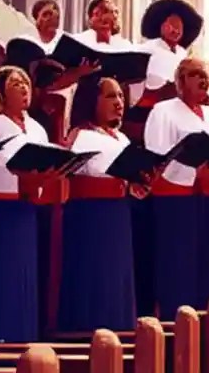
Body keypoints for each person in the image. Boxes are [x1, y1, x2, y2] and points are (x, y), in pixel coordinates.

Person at [0, 65, 65, 342]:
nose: (24, 87)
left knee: (24, 279)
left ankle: (24, 339)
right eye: (16, 83)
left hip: (26, 210)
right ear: (0, 91)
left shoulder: (37, 128)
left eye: (27, 83)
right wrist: (18, 174)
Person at [142, 58, 209, 314]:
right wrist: (194, 174)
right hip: (175, 200)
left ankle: (205, 324)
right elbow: (158, 157)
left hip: (208, 197)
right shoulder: (163, 111)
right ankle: (174, 322)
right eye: (194, 74)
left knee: (206, 263)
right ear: (179, 82)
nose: (203, 79)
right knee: (178, 263)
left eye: (205, 75)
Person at [58, 76, 137, 331]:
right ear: (92, 100)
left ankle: (119, 331)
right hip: (92, 215)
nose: (119, 102)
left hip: (118, 213)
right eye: (111, 96)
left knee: (118, 274)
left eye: (121, 96)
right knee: (96, 274)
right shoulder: (81, 135)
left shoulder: (122, 138)